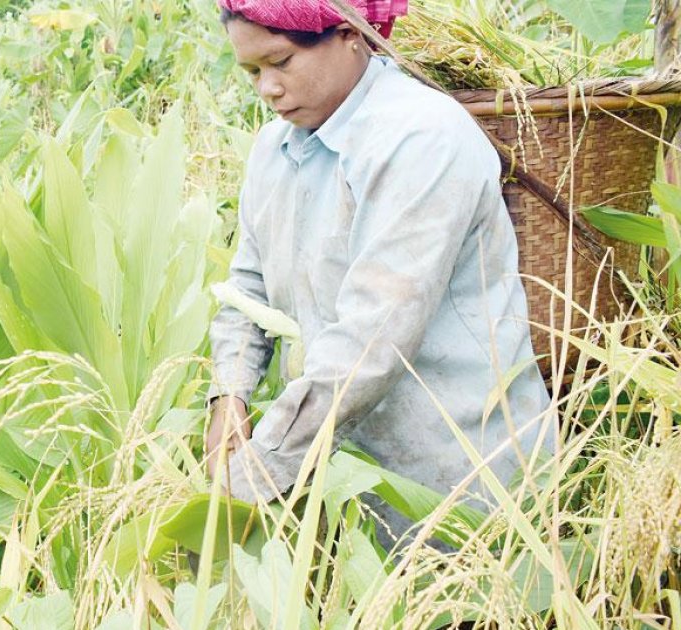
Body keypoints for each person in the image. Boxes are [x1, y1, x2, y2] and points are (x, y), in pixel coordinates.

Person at [205, 0, 553, 545]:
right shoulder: (272, 150)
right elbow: (247, 288)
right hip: (342, 468)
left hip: (461, 472)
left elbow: (375, 338)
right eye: (251, 71)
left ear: (349, 35)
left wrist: (259, 467)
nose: (266, 89)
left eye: (281, 62)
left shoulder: (421, 137)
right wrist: (229, 395)